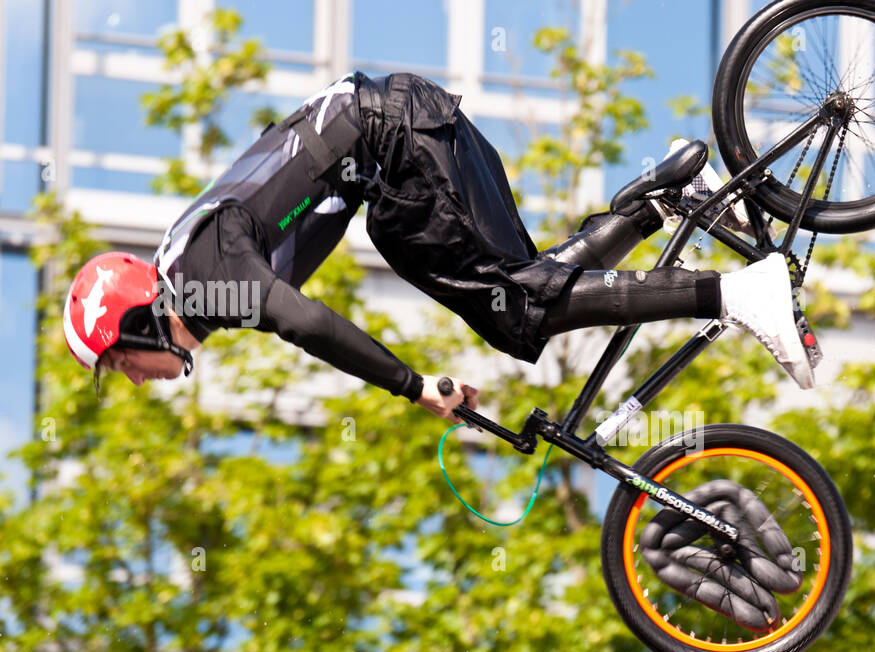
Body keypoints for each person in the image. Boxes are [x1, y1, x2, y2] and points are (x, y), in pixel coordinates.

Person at [62, 72, 816, 418]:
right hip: (408, 134)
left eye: (122, 361)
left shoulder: (196, 278)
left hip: (400, 145)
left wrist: (412, 385)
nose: (134, 379)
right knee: (528, 286)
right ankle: (662, 197)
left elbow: (308, 324)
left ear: (138, 322)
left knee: (518, 313)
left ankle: (735, 292)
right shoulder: (196, 268)